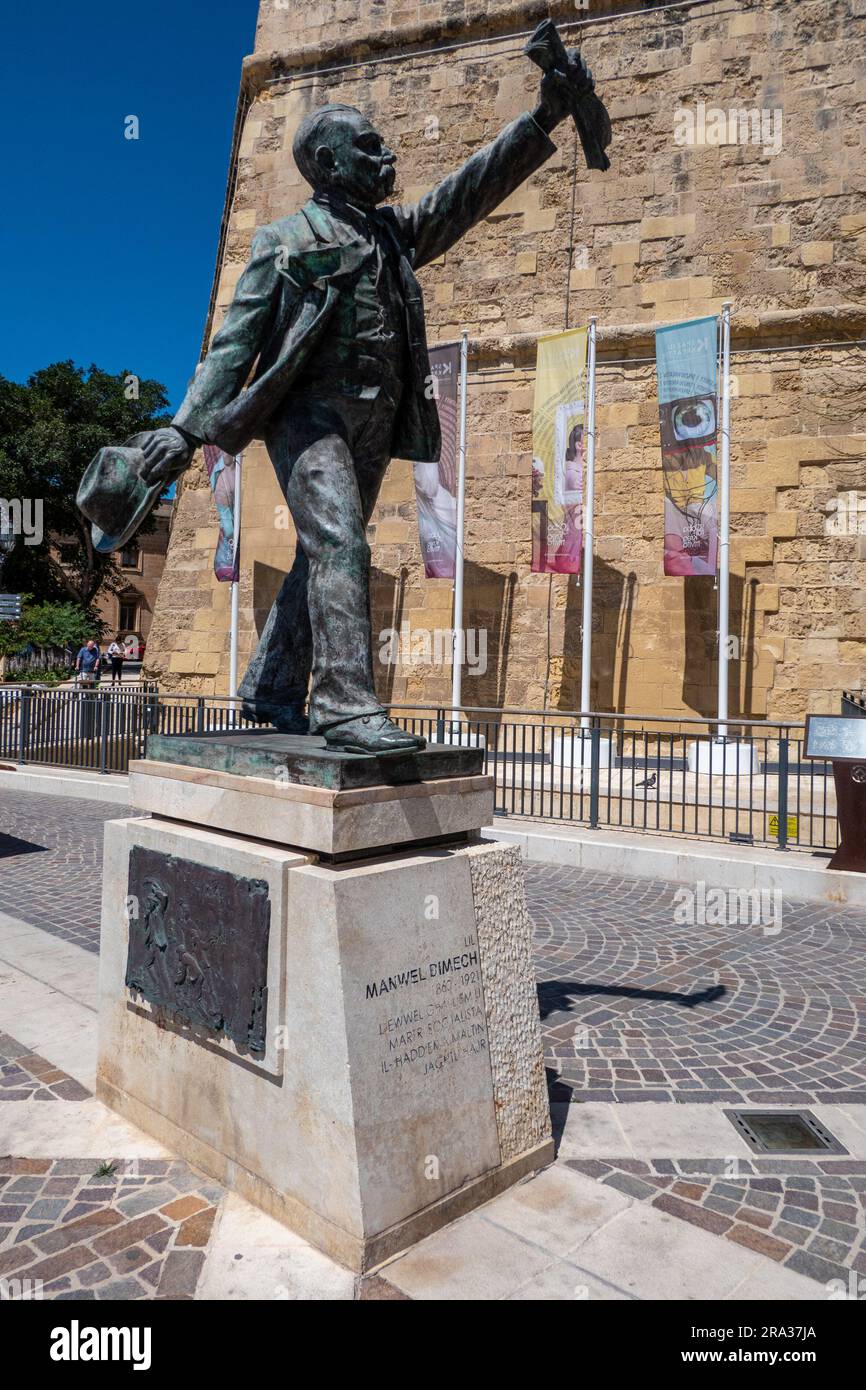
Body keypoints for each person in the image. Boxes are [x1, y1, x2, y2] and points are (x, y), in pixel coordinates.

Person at [128, 26, 586, 752]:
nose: (388, 155)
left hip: (375, 421)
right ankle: (343, 704)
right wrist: (186, 431)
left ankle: (273, 687)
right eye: (371, 147)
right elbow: (234, 345)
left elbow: (463, 197)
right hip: (306, 417)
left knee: (322, 551)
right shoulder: (285, 241)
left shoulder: (394, 235)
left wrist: (542, 119)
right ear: (329, 162)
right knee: (342, 544)